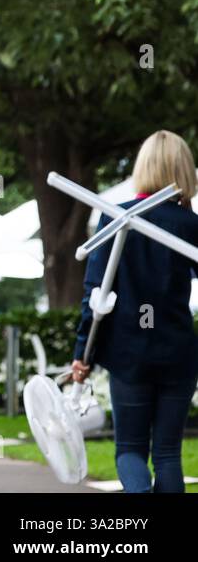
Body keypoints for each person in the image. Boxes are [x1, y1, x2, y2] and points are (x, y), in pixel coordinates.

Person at [71, 130, 198, 493]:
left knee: (129, 450)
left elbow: (95, 295)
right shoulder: (191, 226)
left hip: (128, 354)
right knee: (169, 455)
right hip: (178, 353)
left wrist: (83, 354)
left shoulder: (114, 218)